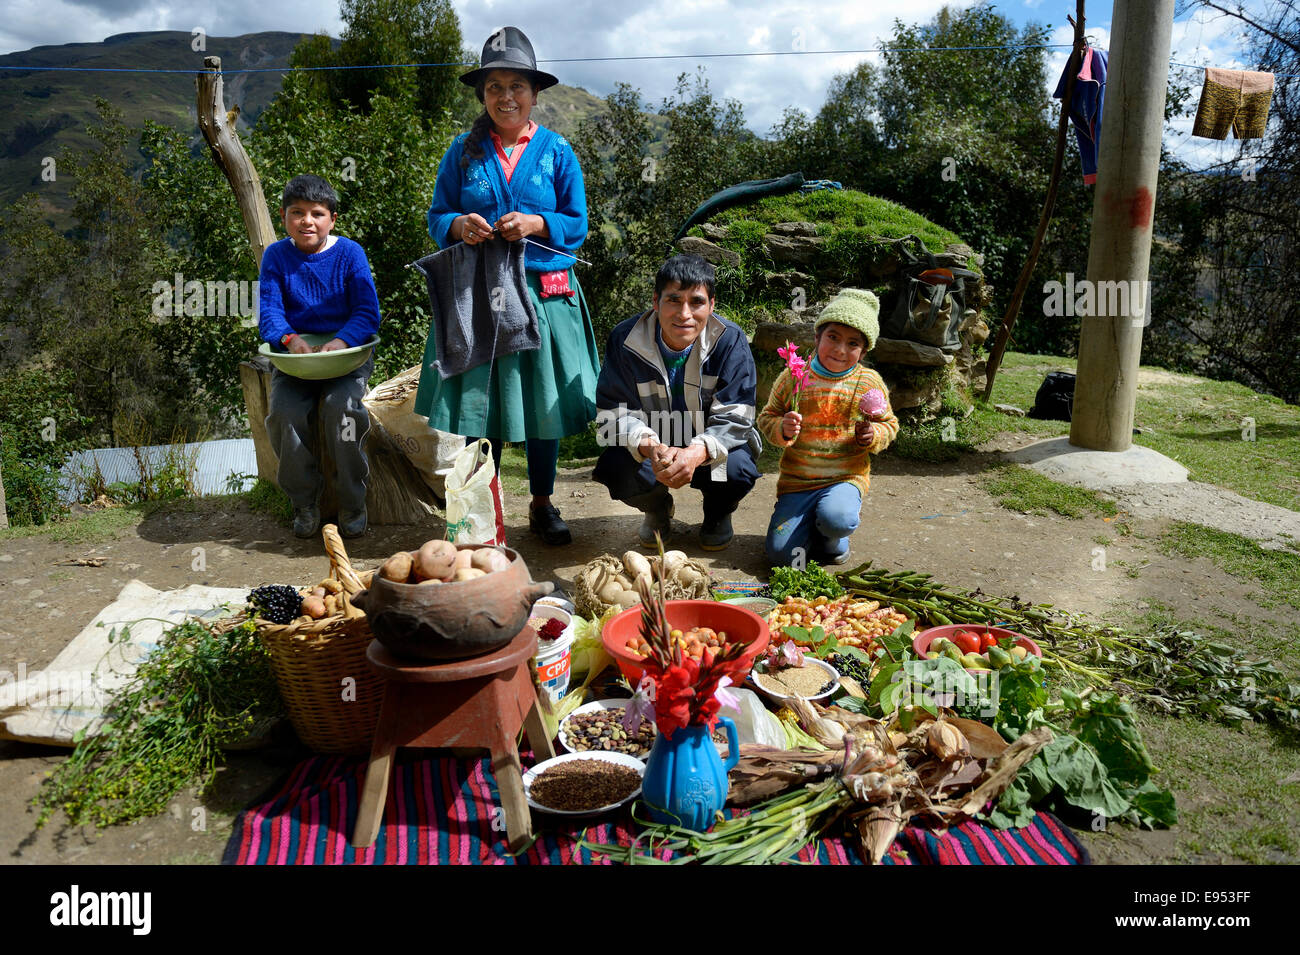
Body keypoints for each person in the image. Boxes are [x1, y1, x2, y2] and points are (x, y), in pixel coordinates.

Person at [414, 26, 600, 546]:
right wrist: (458, 225)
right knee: (481, 405)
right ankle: (483, 513)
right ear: (483, 95)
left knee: (543, 407)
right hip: (480, 297)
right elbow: (437, 215)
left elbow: (577, 223)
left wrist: (537, 224)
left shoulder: (557, 151)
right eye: (495, 86)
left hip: (542, 294)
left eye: (516, 86)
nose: (506, 96)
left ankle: (542, 503)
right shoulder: (463, 152)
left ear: (534, 93)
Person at [593, 254, 762, 550]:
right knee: (616, 466)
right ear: (656, 302)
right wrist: (650, 446)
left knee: (736, 468)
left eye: (696, 302)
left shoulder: (730, 340)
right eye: (673, 300)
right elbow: (612, 415)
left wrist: (697, 452)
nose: (684, 313)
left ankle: (717, 511)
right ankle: (656, 508)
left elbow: (738, 417)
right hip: (654, 442)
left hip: (709, 444)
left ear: (711, 305)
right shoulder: (625, 339)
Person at [258, 174, 381, 540]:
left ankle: (352, 501)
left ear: (332, 219)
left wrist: (341, 341)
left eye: (316, 213)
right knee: (285, 415)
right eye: (297, 213)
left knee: (341, 412)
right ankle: (304, 502)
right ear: (283, 216)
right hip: (295, 363)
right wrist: (290, 338)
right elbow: (269, 312)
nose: (306, 221)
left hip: (347, 360)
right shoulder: (276, 256)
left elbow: (366, 313)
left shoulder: (350, 254)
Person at [758, 289, 899, 566]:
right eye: (832, 337)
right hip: (797, 482)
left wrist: (874, 435)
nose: (840, 349)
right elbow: (767, 416)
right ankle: (809, 525)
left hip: (844, 479)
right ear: (817, 337)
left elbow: (889, 424)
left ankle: (830, 538)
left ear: (864, 350)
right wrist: (782, 427)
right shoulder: (794, 376)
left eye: (853, 343)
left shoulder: (868, 382)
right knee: (780, 557)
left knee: (838, 519)